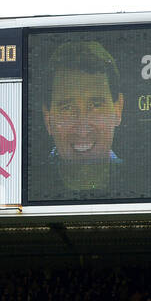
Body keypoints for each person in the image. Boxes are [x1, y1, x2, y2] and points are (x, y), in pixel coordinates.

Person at [37, 40, 126, 197]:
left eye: (96, 105)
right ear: (48, 118)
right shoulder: (33, 182)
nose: (83, 129)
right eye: (67, 108)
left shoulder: (144, 179)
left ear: (118, 109)